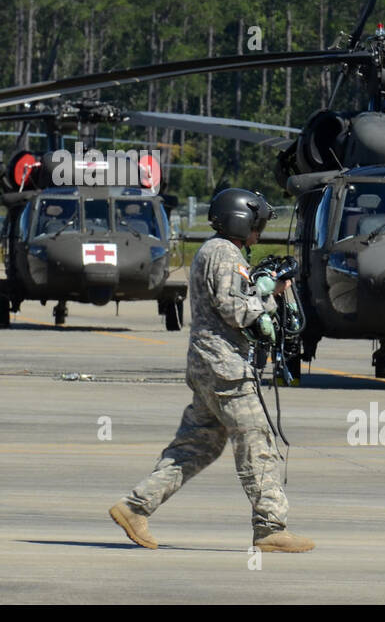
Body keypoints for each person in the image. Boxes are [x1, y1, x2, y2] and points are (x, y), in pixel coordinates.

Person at [110, 188, 315, 553]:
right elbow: (234, 309)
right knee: (257, 442)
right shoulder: (224, 253)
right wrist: (269, 294)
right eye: (256, 222)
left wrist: (260, 287)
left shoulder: (214, 251)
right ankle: (270, 526)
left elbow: (231, 300)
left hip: (209, 365)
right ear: (241, 219)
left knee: (196, 447)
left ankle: (135, 507)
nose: (259, 229)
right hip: (225, 368)